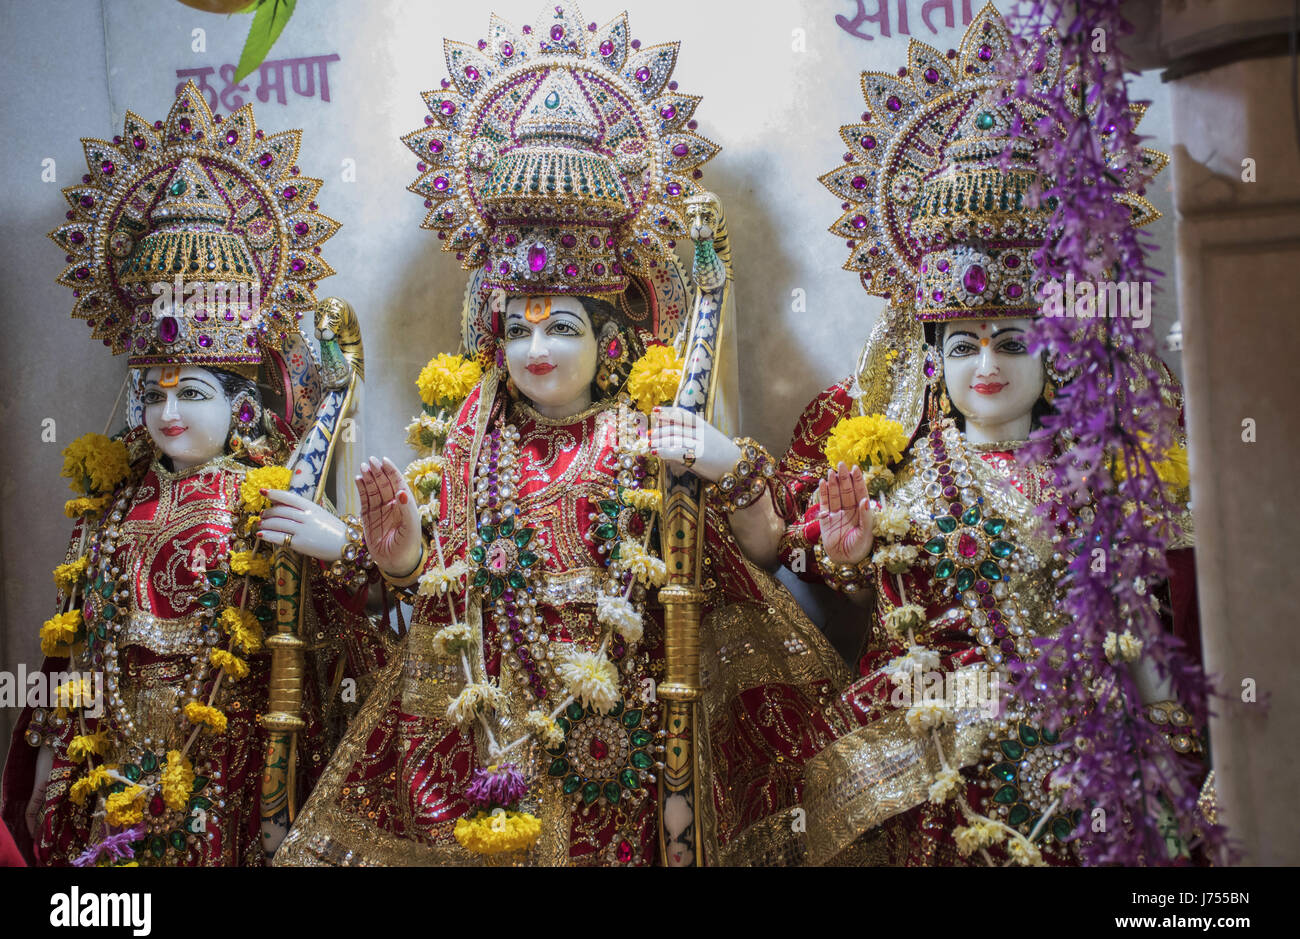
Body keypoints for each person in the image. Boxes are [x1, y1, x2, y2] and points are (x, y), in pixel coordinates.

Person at [271, 3, 847, 866]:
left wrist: (731, 465)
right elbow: (438, 593)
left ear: (611, 338)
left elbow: (758, 556)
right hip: (490, 739)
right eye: (518, 329)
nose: (535, 351)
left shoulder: (640, 436)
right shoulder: (471, 439)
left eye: (562, 328)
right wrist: (392, 554)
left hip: (630, 741)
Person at [770, 7, 1205, 865]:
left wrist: (1170, 740)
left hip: (1083, 752)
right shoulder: (905, 473)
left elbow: (1135, 624)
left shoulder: (1094, 473)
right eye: (963, 346)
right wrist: (853, 557)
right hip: (946, 757)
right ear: (931, 362)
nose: (987, 367)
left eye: (1014, 342)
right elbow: (879, 618)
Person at [0, 83, 372, 865]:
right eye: (154, 391)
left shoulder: (263, 497)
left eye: (194, 392)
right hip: (105, 762)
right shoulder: (109, 501)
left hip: (226, 766)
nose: (169, 412)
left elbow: (341, 629)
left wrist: (342, 546)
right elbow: (73, 646)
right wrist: (42, 751)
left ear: (242, 405)